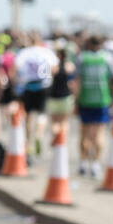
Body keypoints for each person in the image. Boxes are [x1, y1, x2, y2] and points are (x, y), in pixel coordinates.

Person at [76, 36, 113, 178]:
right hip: (103, 101)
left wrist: (76, 101)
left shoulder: (82, 58)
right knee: (99, 135)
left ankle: (83, 162)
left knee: (84, 133)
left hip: (85, 100)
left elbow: (77, 81)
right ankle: (95, 164)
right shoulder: (108, 59)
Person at [13, 30, 58, 158]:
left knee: (28, 115)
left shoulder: (24, 53)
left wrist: (17, 81)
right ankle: (39, 134)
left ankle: (29, 142)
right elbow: (54, 68)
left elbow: (15, 68)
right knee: (42, 113)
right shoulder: (46, 52)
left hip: (28, 85)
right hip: (43, 85)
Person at [45, 38, 76, 143]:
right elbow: (72, 83)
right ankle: (62, 141)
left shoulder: (52, 67)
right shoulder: (69, 66)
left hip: (53, 96)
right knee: (64, 121)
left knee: (54, 122)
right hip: (66, 97)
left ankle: (55, 137)